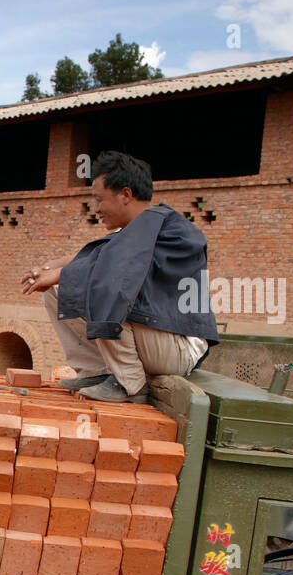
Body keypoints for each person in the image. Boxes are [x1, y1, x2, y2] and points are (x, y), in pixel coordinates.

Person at [20, 151, 217, 403]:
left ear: (125, 194)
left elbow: (114, 266)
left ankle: (130, 385)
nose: (97, 209)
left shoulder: (177, 232)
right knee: (57, 291)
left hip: (180, 348)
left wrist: (62, 273)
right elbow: (100, 253)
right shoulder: (137, 232)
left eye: (99, 200)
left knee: (103, 286)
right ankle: (99, 372)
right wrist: (50, 269)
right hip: (156, 340)